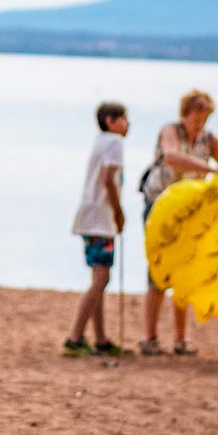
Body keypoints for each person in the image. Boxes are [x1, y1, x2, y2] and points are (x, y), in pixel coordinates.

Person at [139, 89, 218, 356]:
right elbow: (172, 157)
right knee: (158, 272)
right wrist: (212, 169)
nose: (200, 124)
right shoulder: (170, 131)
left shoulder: (209, 138)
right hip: (159, 207)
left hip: (192, 213)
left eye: (204, 119)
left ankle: (180, 340)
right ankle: (149, 338)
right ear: (185, 115)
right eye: (196, 118)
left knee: (185, 273)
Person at [64, 102, 129, 357]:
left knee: (98, 279)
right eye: (123, 119)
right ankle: (75, 336)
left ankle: (100, 339)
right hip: (101, 219)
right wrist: (118, 212)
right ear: (110, 121)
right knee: (102, 279)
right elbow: (108, 180)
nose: (127, 124)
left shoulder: (100, 141)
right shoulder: (115, 143)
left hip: (89, 216)